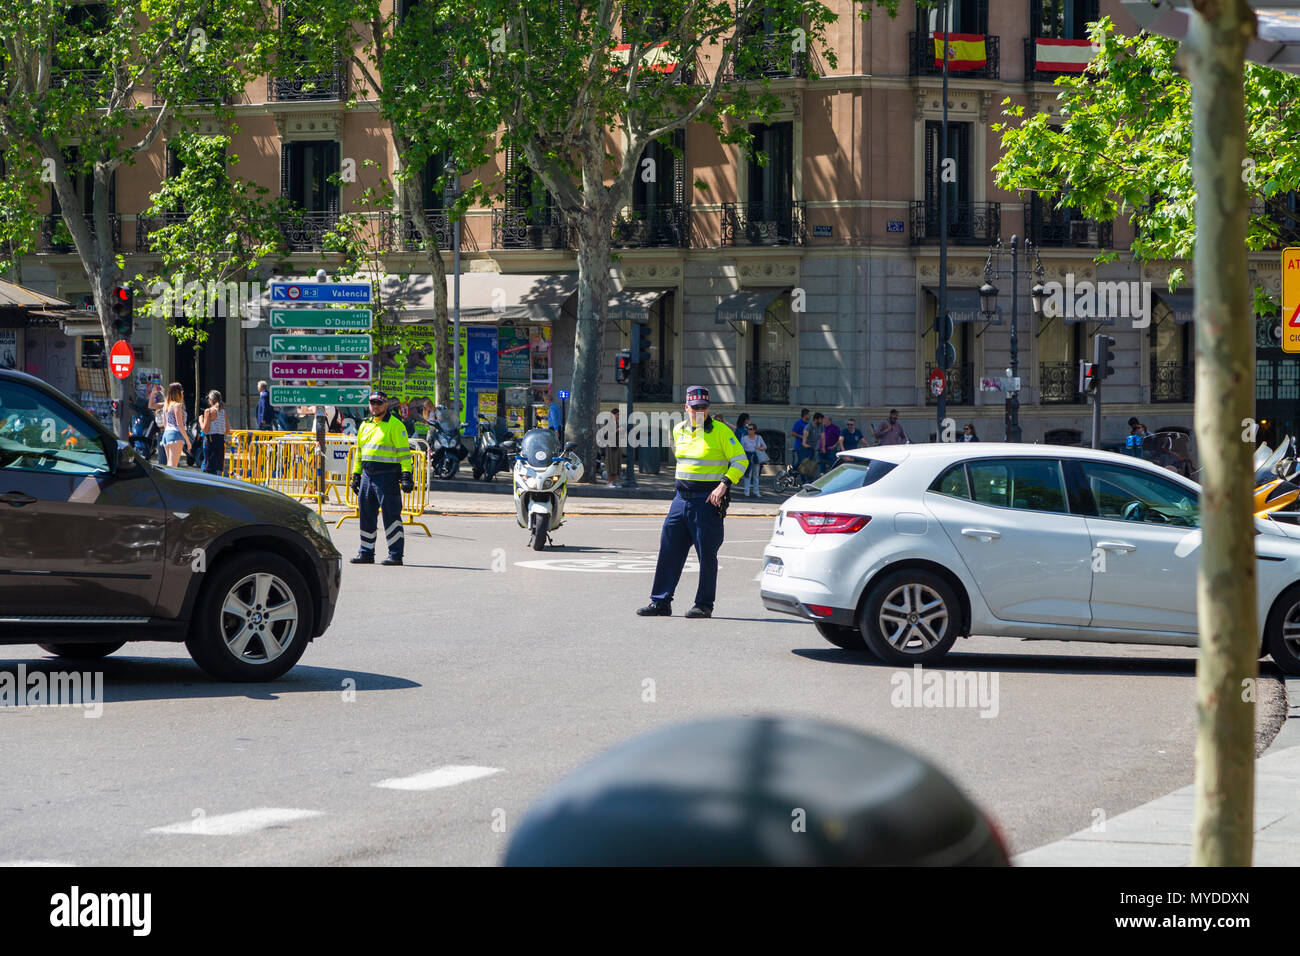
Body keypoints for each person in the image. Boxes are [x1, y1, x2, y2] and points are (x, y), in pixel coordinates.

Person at [638, 386, 747, 619]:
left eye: (704, 407)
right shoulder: (678, 430)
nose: (700, 411)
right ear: (686, 408)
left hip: (707, 501)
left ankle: (704, 604)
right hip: (680, 500)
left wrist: (724, 484)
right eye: (695, 407)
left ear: (708, 408)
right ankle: (660, 602)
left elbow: (740, 460)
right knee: (669, 551)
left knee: (707, 555)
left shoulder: (721, 431)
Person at [349, 390, 414, 567]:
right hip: (367, 478)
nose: (375, 406)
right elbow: (359, 453)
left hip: (387, 477)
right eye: (372, 403)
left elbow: (404, 453)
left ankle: (395, 555)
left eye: (379, 403)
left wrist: (407, 475)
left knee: (391, 517)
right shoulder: (365, 424)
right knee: (366, 517)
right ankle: (366, 552)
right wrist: (356, 475)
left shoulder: (395, 424)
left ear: (386, 404)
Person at [160, 382, 192, 467]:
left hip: (166, 434)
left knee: (169, 464)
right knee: (173, 465)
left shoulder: (166, 405)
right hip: (176, 434)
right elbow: (180, 425)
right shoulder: (177, 405)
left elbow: (165, 423)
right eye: (181, 391)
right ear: (179, 392)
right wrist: (188, 441)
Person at [199, 390, 227, 475]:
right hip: (220, 441)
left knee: (208, 467)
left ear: (211, 400)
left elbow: (205, 429)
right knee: (217, 468)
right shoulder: (223, 412)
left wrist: (201, 420)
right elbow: (227, 430)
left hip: (210, 441)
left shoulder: (208, 411)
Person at [740, 422, 767, 497]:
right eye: (748, 429)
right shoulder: (744, 438)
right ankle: (746, 491)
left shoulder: (759, 437)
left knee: (756, 475)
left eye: (751, 429)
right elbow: (741, 448)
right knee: (747, 474)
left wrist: (760, 448)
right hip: (747, 457)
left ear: (754, 430)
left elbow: (765, 447)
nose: (749, 431)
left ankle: (756, 491)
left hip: (756, 457)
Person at [802, 412, 825, 477]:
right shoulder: (808, 427)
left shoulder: (821, 426)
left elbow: (823, 437)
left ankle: (809, 478)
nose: (822, 421)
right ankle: (804, 478)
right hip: (807, 448)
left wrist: (823, 448)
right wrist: (805, 444)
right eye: (821, 419)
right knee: (805, 464)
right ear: (816, 419)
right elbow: (804, 439)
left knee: (812, 464)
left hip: (813, 447)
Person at [605, 406, 623, 487]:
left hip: (617, 446)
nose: (618, 416)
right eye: (617, 414)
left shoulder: (617, 422)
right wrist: (618, 430)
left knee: (617, 465)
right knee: (611, 464)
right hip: (611, 447)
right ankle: (609, 482)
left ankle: (615, 482)